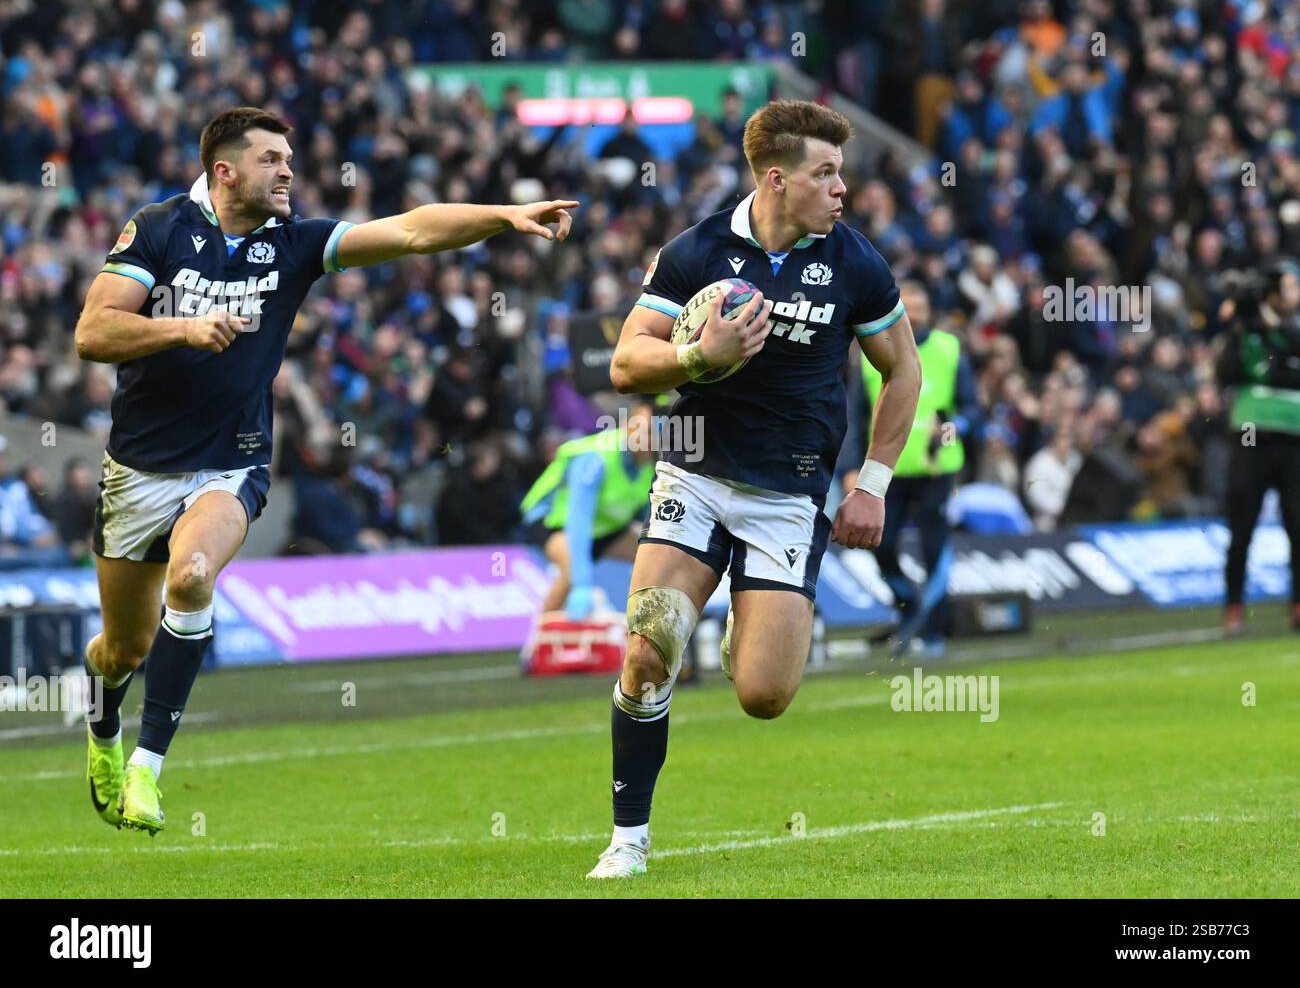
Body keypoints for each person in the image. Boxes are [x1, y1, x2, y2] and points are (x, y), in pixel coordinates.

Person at [75, 106, 577, 835]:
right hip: (138, 469)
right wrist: (180, 327)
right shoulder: (157, 229)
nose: (288, 171)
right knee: (121, 648)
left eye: (290, 158)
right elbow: (93, 331)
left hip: (231, 460)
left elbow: (409, 230)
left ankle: (147, 768)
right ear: (225, 171)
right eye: (272, 159)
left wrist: (501, 215)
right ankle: (102, 731)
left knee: (190, 579)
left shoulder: (295, 243)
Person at [590, 100, 921, 878]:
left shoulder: (854, 262)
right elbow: (626, 364)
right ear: (777, 179)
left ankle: (754, 623)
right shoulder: (695, 251)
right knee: (648, 649)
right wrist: (699, 357)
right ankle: (628, 838)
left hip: (789, 495)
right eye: (826, 173)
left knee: (763, 696)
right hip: (695, 475)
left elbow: (901, 367)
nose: (842, 188)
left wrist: (871, 483)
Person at [854, 281, 981, 658]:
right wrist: (850, 466)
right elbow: (856, 414)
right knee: (882, 544)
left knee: (933, 547)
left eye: (921, 305)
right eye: (908, 305)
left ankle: (933, 631)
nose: (915, 312)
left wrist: (948, 432)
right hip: (885, 470)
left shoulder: (949, 349)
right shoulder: (868, 353)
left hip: (936, 472)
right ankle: (910, 606)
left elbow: (971, 409)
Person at [1215, 260, 1300, 635]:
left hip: (1293, 437)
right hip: (1251, 435)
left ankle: (1297, 604)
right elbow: (1229, 371)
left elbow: (1278, 368)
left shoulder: (1288, 331)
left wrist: (1272, 338)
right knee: (1242, 525)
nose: (1295, 292)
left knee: (1298, 526)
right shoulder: (1244, 331)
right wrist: (1242, 325)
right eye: (1289, 286)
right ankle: (1233, 607)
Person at [519, 396, 657, 620]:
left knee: (656, 557)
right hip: (553, 519)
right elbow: (578, 520)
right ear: (626, 427)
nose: (648, 438)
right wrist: (583, 584)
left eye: (655, 431)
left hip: (604, 526)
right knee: (572, 572)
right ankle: (534, 649)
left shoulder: (654, 462)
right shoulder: (596, 458)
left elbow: (647, 518)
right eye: (644, 429)